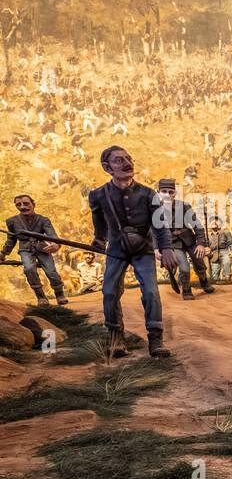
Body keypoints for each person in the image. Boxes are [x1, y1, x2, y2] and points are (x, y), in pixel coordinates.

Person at [87, 145, 176, 358]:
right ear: (107, 167)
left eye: (128, 159)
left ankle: (156, 339)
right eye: (119, 160)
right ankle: (116, 337)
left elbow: (159, 225)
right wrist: (100, 240)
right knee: (109, 292)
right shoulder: (98, 195)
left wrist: (166, 249)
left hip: (143, 250)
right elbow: (99, 222)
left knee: (152, 292)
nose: (127, 163)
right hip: (116, 250)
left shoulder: (148, 194)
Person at [2, 193, 68, 306]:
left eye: (26, 203)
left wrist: (56, 245)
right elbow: (11, 240)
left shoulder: (43, 220)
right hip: (25, 250)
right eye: (19, 204)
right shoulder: (12, 221)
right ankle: (41, 297)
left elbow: (52, 235)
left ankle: (59, 294)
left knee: (51, 271)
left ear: (33, 204)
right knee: (29, 269)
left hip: (42, 249)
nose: (23, 207)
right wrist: (3, 253)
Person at [157, 178, 214, 300]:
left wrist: (201, 244)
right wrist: (157, 249)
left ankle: (204, 281)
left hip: (190, 240)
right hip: (172, 243)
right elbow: (153, 232)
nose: (167, 195)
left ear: (175, 193)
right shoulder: (155, 209)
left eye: (171, 192)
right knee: (184, 267)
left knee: (199, 261)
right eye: (164, 191)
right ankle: (186, 289)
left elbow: (197, 226)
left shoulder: (184, 206)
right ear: (158, 192)